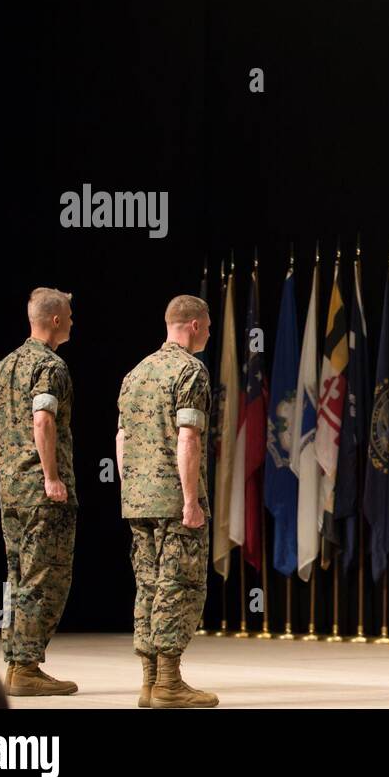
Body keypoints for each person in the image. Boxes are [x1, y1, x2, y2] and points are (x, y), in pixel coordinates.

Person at [117, 295, 218, 708]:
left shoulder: (136, 373)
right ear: (193, 325)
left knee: (149, 587)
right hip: (175, 499)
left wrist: (131, 487)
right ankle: (169, 683)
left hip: (139, 500)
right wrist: (190, 501)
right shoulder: (190, 371)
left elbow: (122, 439)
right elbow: (188, 437)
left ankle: (149, 681)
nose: (210, 332)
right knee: (180, 587)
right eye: (208, 326)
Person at [0, 287, 78, 697]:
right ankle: (26, 667)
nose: (73, 321)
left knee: (18, 575)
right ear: (55, 320)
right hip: (43, 493)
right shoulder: (49, 365)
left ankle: (18, 663)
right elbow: (43, 420)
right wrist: (50, 476)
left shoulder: (3, 366)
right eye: (69, 316)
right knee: (44, 576)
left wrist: (6, 469)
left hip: (13, 491)